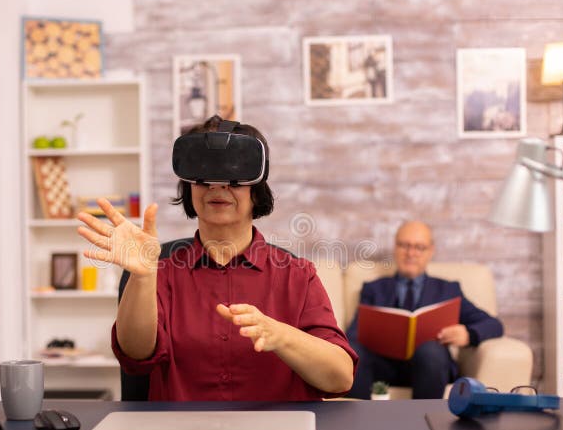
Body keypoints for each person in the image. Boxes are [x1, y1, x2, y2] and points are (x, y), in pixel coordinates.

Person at [77, 115, 357, 401]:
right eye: (204, 175)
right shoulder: (162, 272)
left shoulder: (297, 275)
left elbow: (340, 378)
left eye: (233, 175)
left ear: (256, 191)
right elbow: (136, 356)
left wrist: (281, 336)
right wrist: (143, 276)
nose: (217, 186)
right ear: (190, 187)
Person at [346, 221, 503, 399]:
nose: (411, 253)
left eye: (419, 247)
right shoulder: (374, 289)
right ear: (395, 248)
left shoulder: (448, 290)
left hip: (430, 366)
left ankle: (425, 422)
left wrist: (468, 334)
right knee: (353, 351)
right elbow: (352, 336)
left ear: (431, 251)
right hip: (383, 369)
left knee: (430, 351)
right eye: (404, 245)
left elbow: (494, 324)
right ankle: (359, 421)